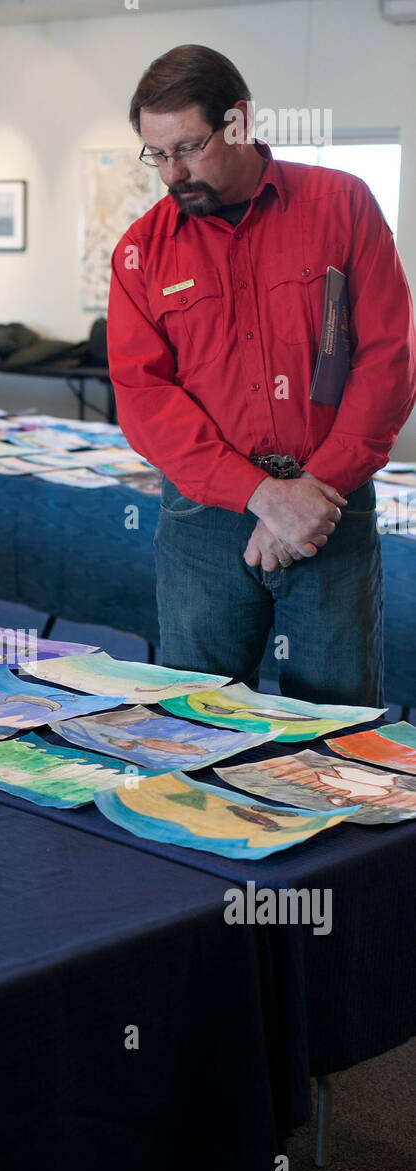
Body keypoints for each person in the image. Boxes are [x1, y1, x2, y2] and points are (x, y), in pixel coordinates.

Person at [108, 45, 416, 707]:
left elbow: (388, 358)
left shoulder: (342, 206)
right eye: (155, 155)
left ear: (241, 122)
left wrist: (313, 489)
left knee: (336, 730)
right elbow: (143, 396)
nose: (172, 173)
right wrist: (260, 496)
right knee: (201, 721)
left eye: (187, 147)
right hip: (204, 521)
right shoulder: (140, 251)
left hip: (330, 508)